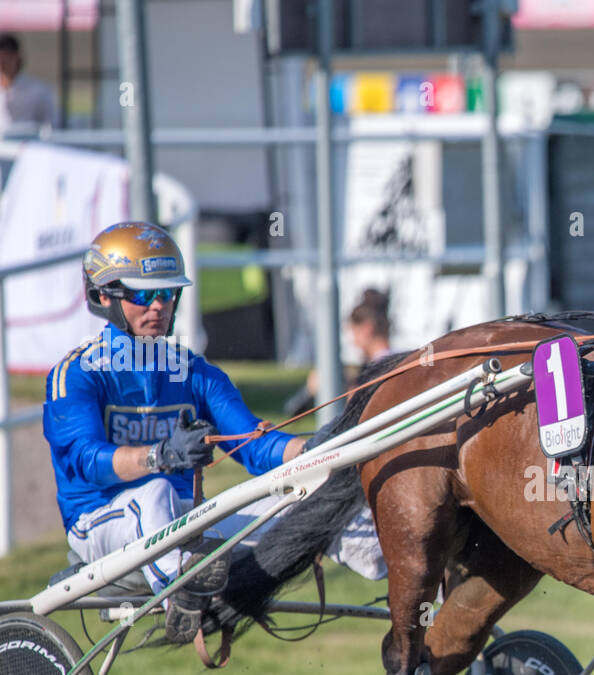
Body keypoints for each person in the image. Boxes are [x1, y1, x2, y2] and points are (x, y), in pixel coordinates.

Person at [44, 222, 384, 645]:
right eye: (144, 294)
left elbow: (253, 445)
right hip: (100, 528)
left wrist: (313, 449)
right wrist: (160, 456)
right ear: (103, 296)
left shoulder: (195, 372)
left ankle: (429, 574)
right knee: (154, 495)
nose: (159, 306)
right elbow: (86, 461)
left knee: (316, 500)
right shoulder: (76, 375)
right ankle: (181, 594)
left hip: (186, 525)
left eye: (168, 293)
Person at [284, 288, 393, 417]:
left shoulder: (381, 369)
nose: (352, 341)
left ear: (366, 329)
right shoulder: (393, 362)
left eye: (353, 332)